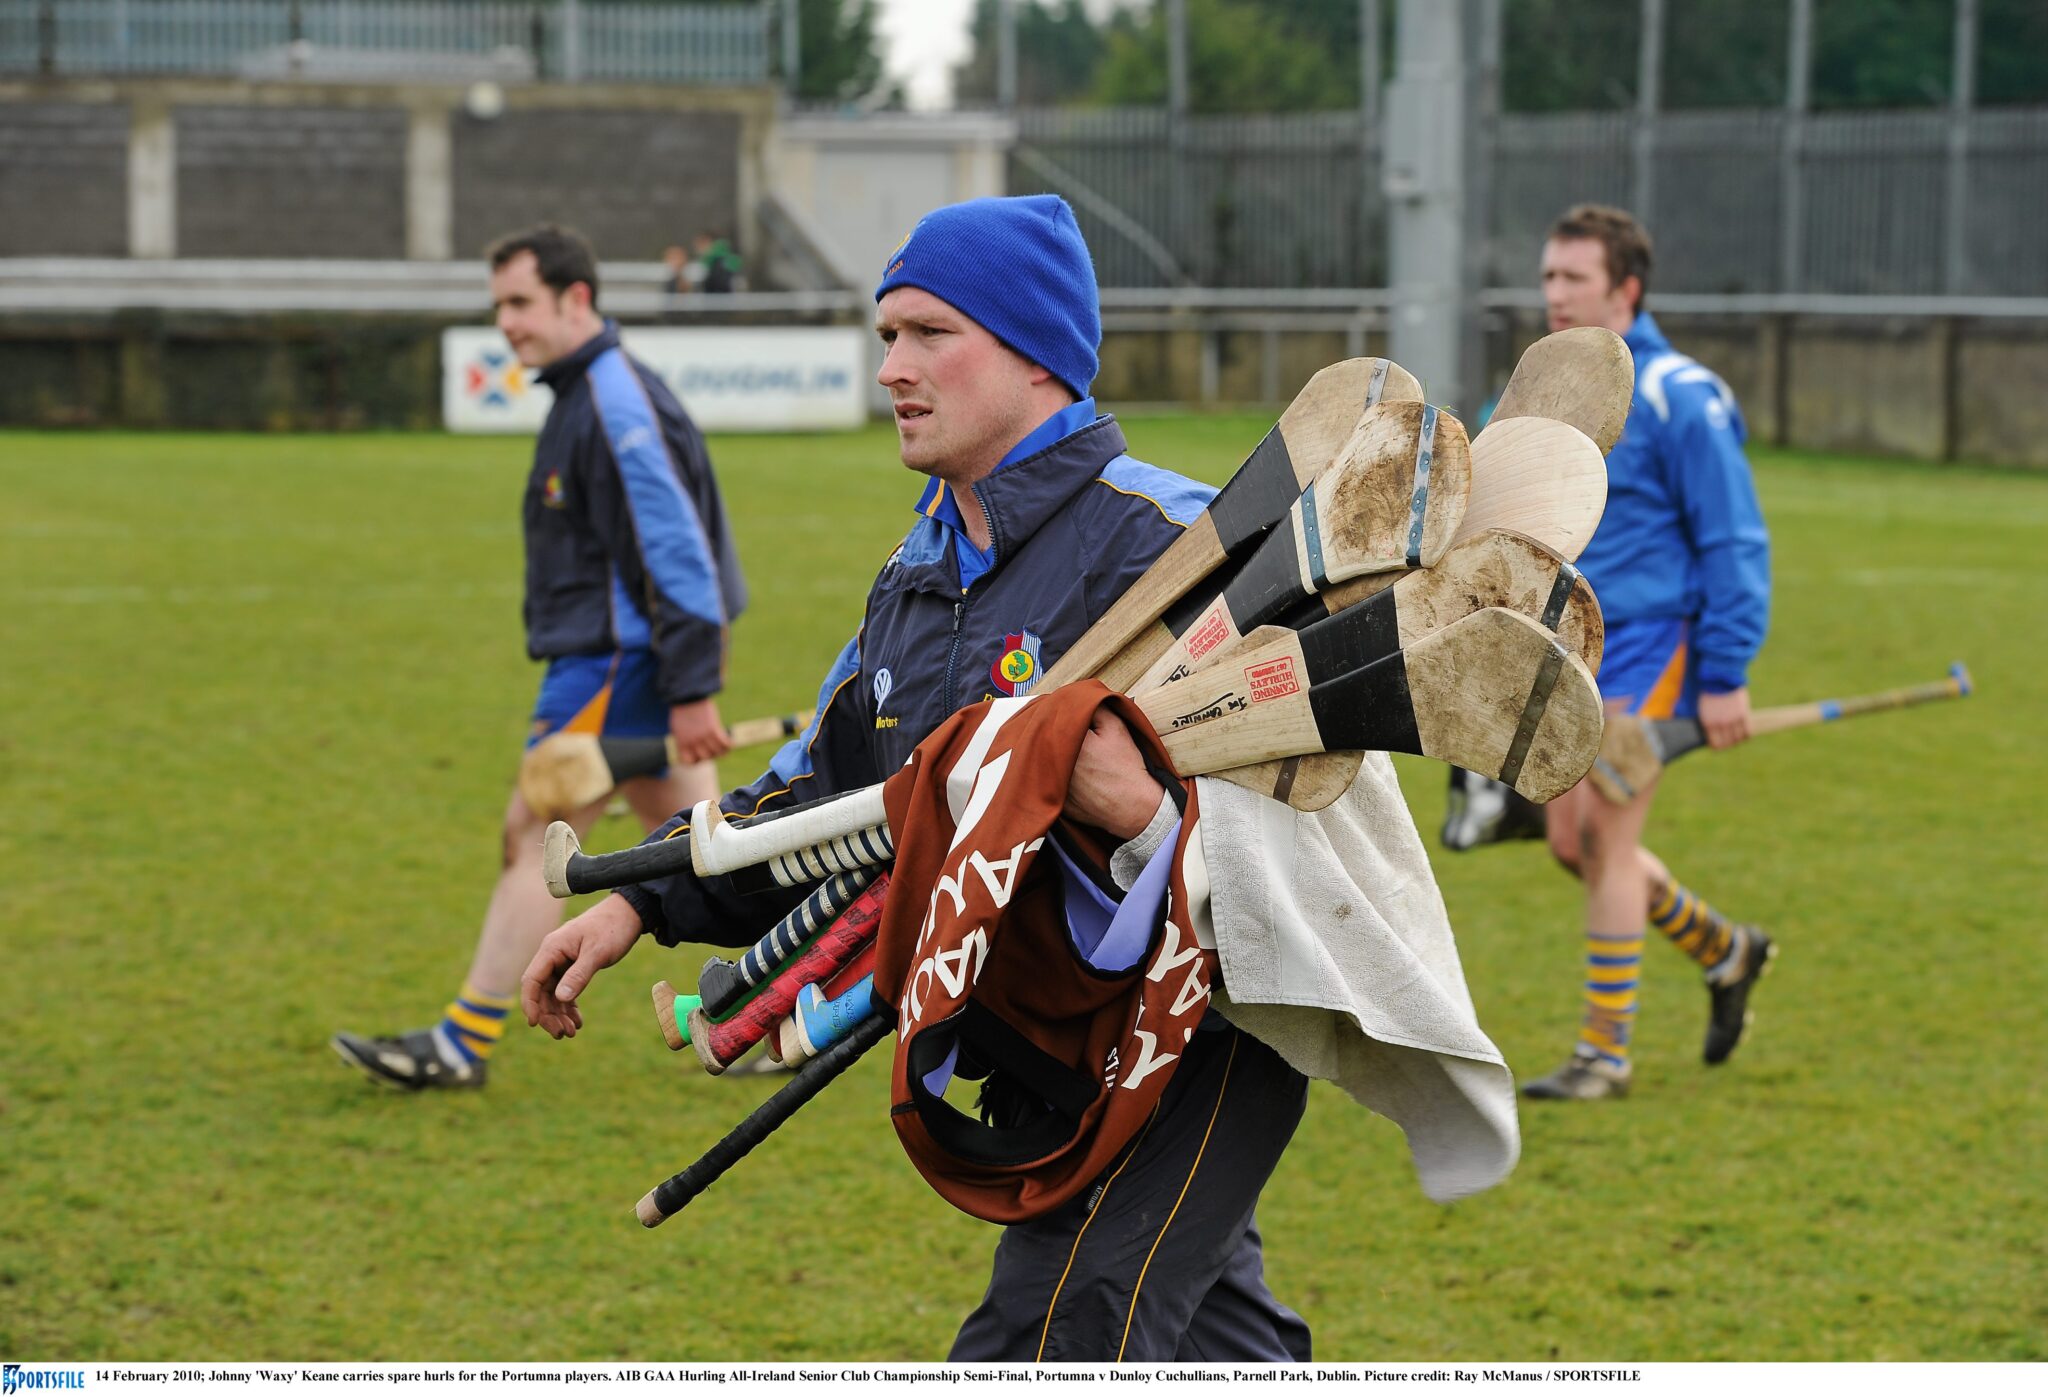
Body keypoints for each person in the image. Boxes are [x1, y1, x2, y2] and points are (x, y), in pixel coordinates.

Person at [517, 196, 1322, 1360]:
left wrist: (1140, 811)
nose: (890, 365)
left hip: (1190, 1046)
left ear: (1037, 355)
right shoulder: (918, 565)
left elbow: (1309, 812)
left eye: (929, 333)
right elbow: (825, 800)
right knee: (1216, 1342)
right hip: (1035, 1038)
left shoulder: (1173, 547)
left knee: (1054, 1333)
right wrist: (641, 903)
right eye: (886, 333)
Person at [332, 224, 746, 1091]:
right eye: (499, 305)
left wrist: (692, 689)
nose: (507, 323)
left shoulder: (610, 400)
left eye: (521, 302)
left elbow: (676, 554)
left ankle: (459, 1043)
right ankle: (776, 1009)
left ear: (577, 299)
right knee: (708, 846)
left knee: (536, 835)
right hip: (625, 662)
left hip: (612, 667)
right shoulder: (588, 392)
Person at [1520, 204, 1775, 1102]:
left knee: (1607, 835)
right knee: (1569, 841)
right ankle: (1726, 949)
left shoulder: (1681, 396)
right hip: (1566, 647)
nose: (1553, 293)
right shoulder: (1539, 388)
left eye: (1573, 278)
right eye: (1548, 276)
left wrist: (1727, 670)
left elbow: (1734, 537)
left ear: (1624, 290)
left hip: (1654, 648)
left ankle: (1603, 1055)